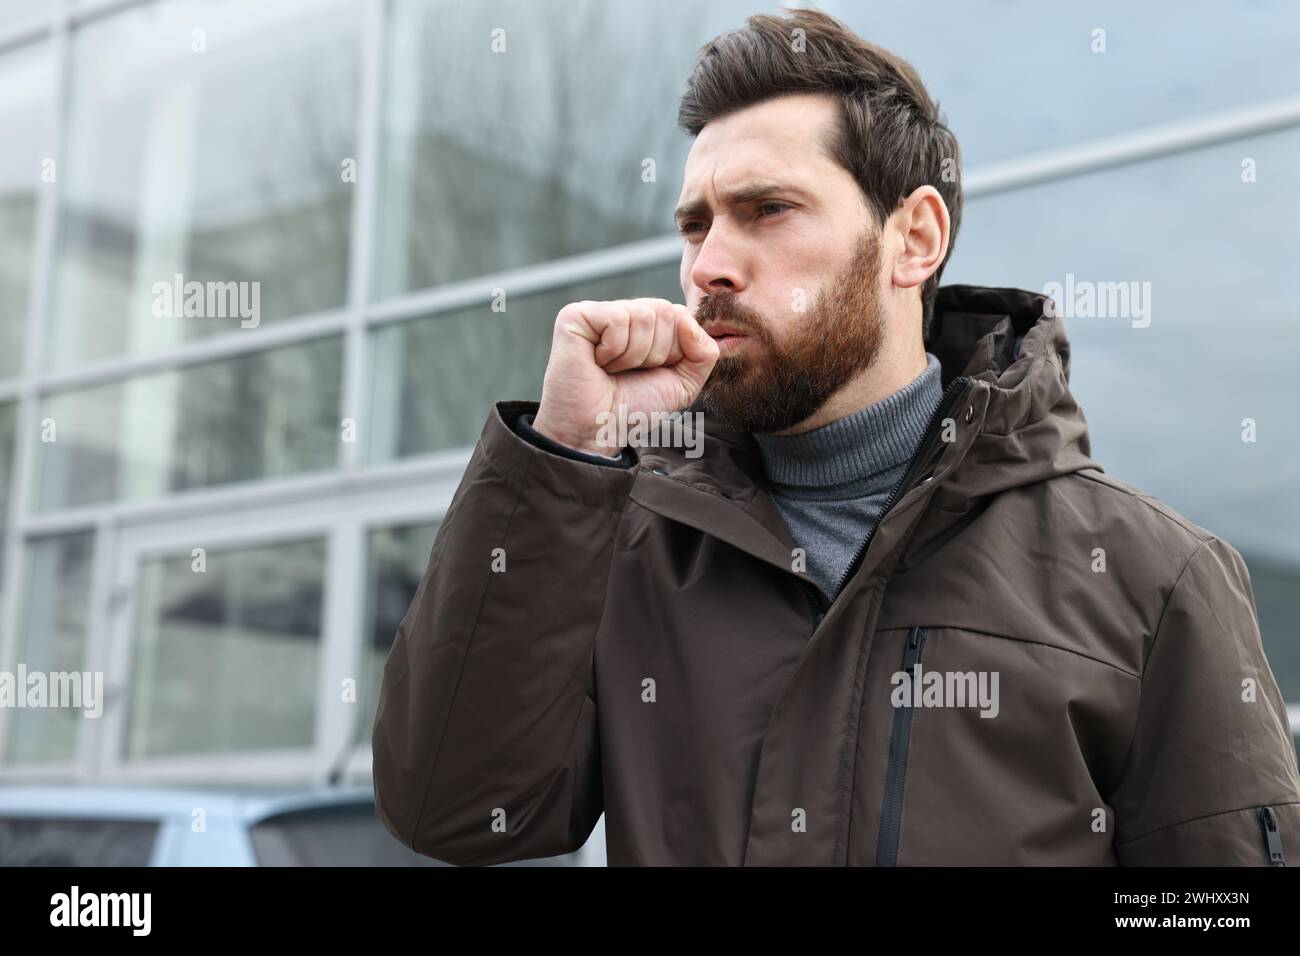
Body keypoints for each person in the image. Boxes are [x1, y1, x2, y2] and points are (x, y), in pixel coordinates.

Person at [372, 7, 1299, 866]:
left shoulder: (1150, 578)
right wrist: (566, 458)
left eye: (767, 210)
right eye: (694, 227)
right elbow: (454, 807)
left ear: (914, 239)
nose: (710, 266)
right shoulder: (628, 539)